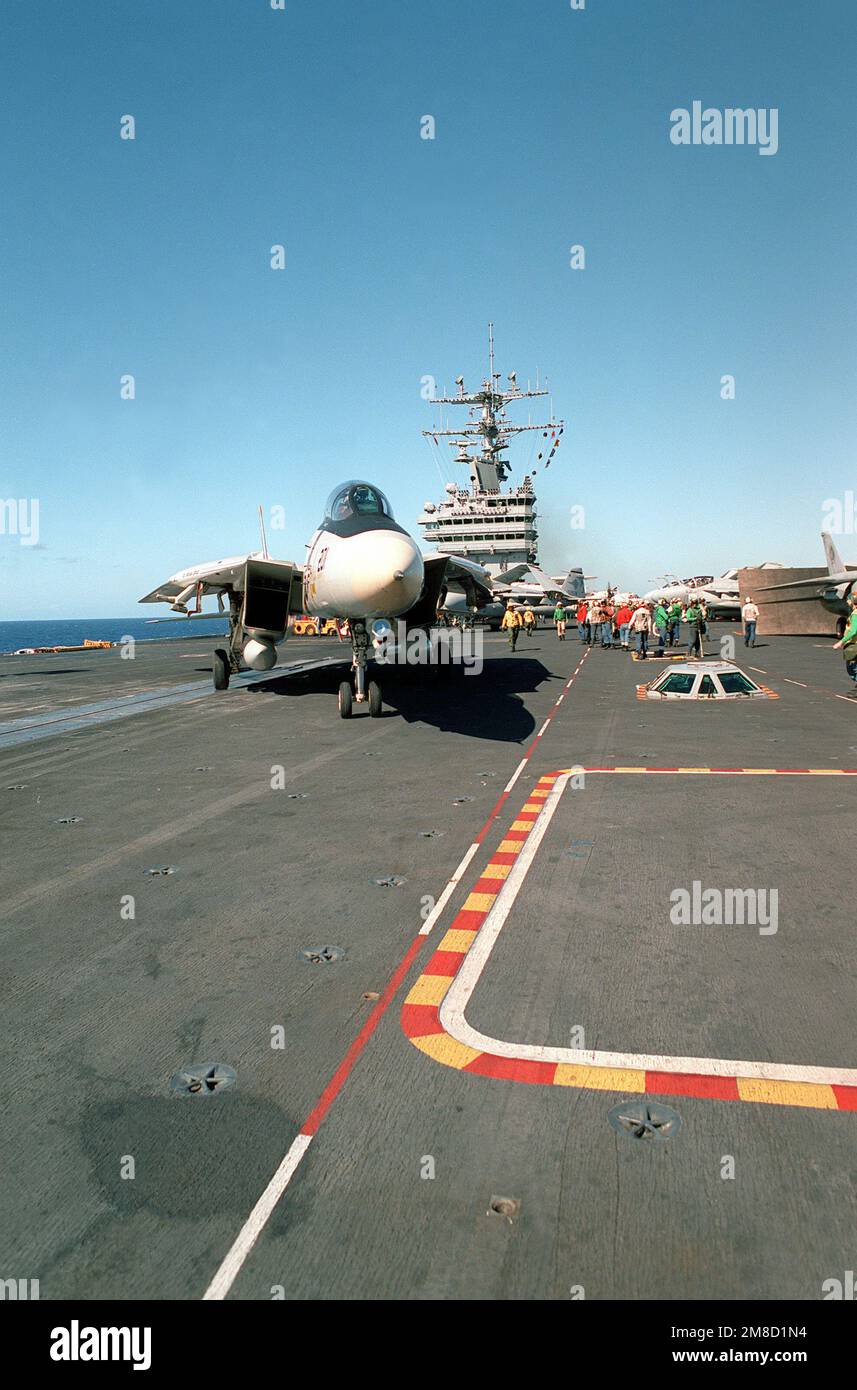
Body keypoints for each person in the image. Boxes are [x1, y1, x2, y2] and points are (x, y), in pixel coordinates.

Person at [832, 594, 857, 688]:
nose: (847, 601)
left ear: (853, 602)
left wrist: (840, 642)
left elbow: (853, 631)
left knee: (852, 669)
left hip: (854, 644)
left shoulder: (855, 615)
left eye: (848, 599)